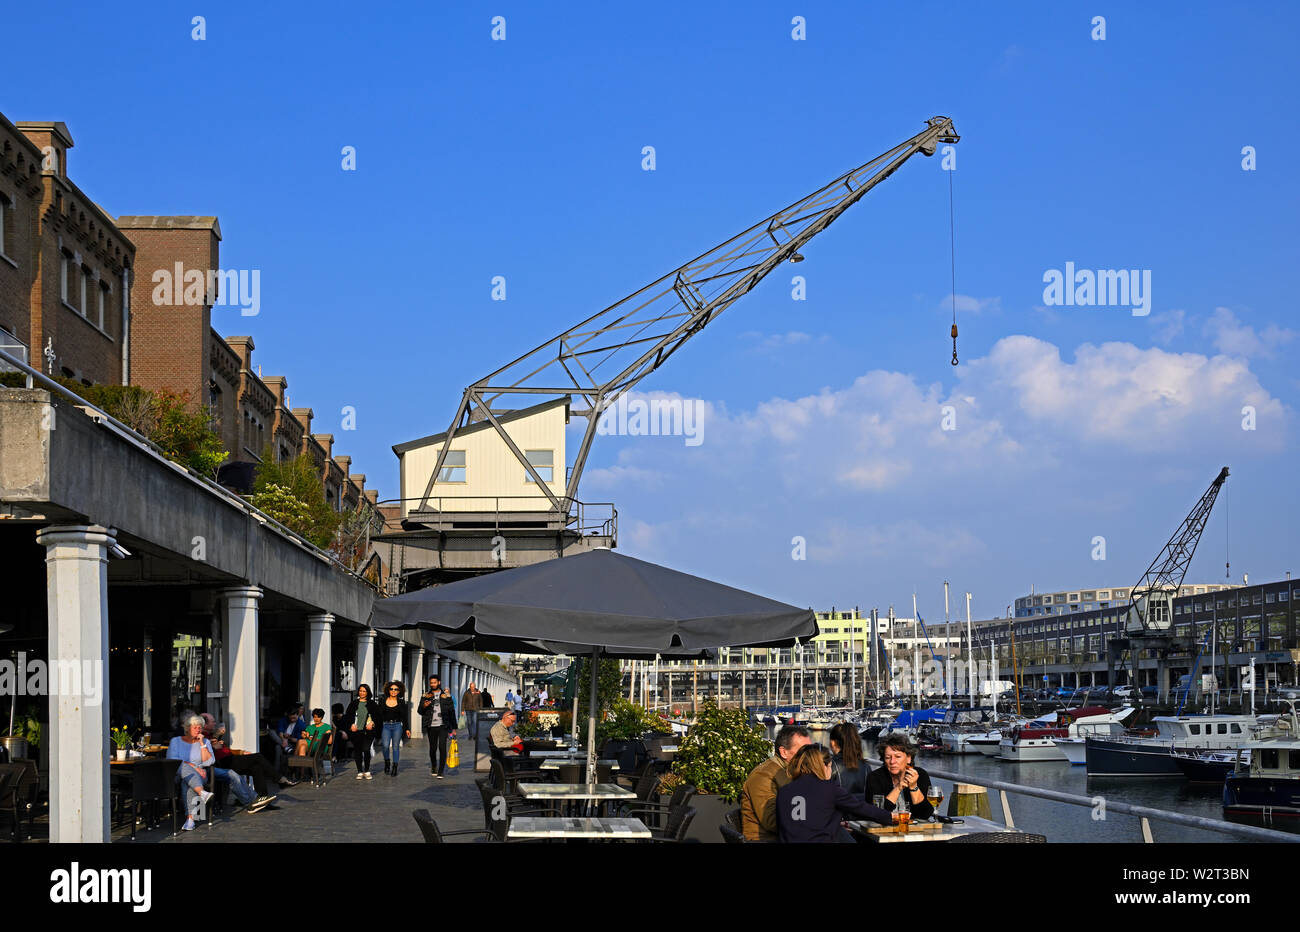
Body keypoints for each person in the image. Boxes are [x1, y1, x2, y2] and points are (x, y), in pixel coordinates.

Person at [776, 744, 893, 843]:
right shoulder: (830, 789)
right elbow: (862, 808)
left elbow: (804, 819)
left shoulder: (784, 791)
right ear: (824, 766)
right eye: (830, 766)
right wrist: (891, 817)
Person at [739, 724, 812, 842]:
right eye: (804, 751)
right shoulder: (763, 776)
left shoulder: (793, 772)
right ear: (784, 752)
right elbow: (773, 822)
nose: (810, 755)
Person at [866, 733, 935, 822]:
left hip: (914, 831)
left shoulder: (921, 775)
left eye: (898, 757)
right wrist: (898, 787)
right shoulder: (875, 777)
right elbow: (878, 814)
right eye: (887, 757)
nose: (892, 761)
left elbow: (924, 815)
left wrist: (913, 787)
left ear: (909, 758)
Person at [167, 714, 217, 831]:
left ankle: (190, 820)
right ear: (187, 728)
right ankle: (202, 793)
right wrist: (194, 766)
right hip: (177, 773)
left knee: (188, 783)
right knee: (182, 766)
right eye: (195, 727)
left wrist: (202, 744)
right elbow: (172, 759)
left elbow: (210, 761)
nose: (198, 730)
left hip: (199, 776)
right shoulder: (176, 741)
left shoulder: (205, 742)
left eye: (200, 727)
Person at [418, 674, 458, 779]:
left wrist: (454, 728)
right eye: (431, 683)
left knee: (442, 747)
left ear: (439, 682)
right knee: (432, 748)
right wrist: (424, 706)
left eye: (435, 682)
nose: (433, 684)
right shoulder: (425, 696)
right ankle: (434, 766)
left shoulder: (447, 696)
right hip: (431, 726)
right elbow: (420, 711)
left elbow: (451, 712)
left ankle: (441, 771)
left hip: (443, 725)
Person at [342, 684, 378, 780]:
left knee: (366, 749)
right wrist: (351, 725)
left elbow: (378, 717)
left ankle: (366, 770)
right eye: (360, 691)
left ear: (367, 692)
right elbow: (348, 717)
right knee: (357, 751)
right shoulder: (353, 703)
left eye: (364, 691)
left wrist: (373, 723)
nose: (362, 693)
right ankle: (359, 771)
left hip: (368, 732)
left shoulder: (372, 704)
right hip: (356, 732)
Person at [378, 681, 411, 778]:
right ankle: (387, 762)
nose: (393, 691)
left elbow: (405, 717)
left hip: (397, 726)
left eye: (396, 689)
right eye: (391, 689)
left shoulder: (401, 702)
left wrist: (407, 729)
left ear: (399, 691)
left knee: (396, 747)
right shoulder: (382, 700)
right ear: (388, 690)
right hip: (386, 726)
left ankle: (395, 767)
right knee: (385, 746)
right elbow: (379, 715)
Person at [829, 722, 868, 796]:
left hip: (838, 806)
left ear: (832, 743)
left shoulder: (830, 766)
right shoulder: (866, 766)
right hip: (861, 806)